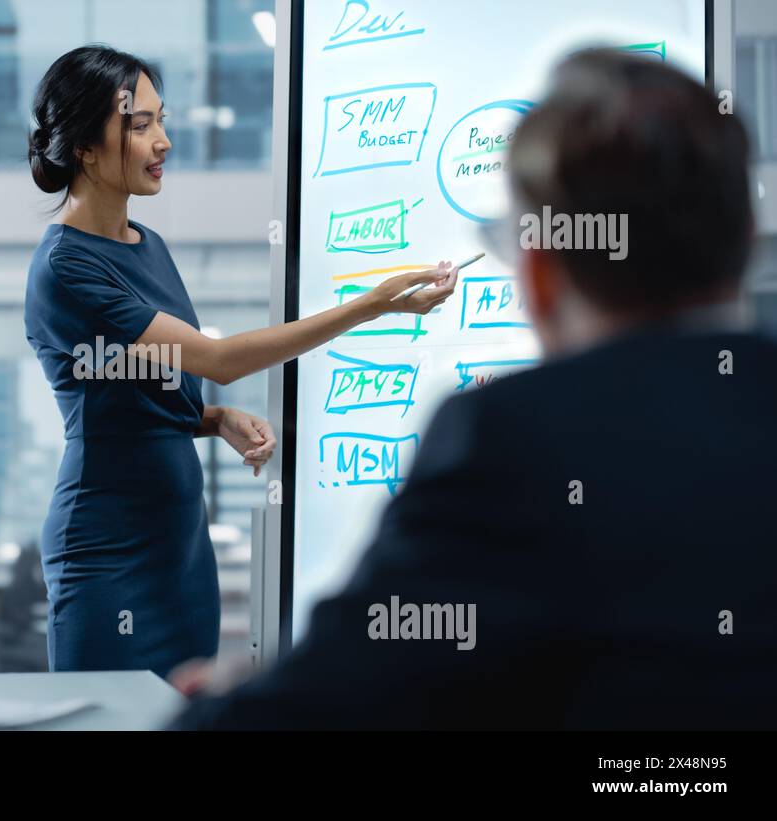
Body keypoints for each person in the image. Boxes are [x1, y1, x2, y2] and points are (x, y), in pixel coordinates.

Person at [168, 48, 777, 729]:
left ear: (541, 277)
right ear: (745, 241)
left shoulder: (514, 439)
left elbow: (333, 699)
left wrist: (228, 698)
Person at [24, 44, 458, 677]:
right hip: (106, 549)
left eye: (161, 120)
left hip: (178, 544)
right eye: (139, 126)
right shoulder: (68, 268)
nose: (163, 141)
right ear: (86, 147)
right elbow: (217, 358)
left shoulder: (149, 245)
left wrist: (213, 417)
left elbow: (130, 394)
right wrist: (369, 306)